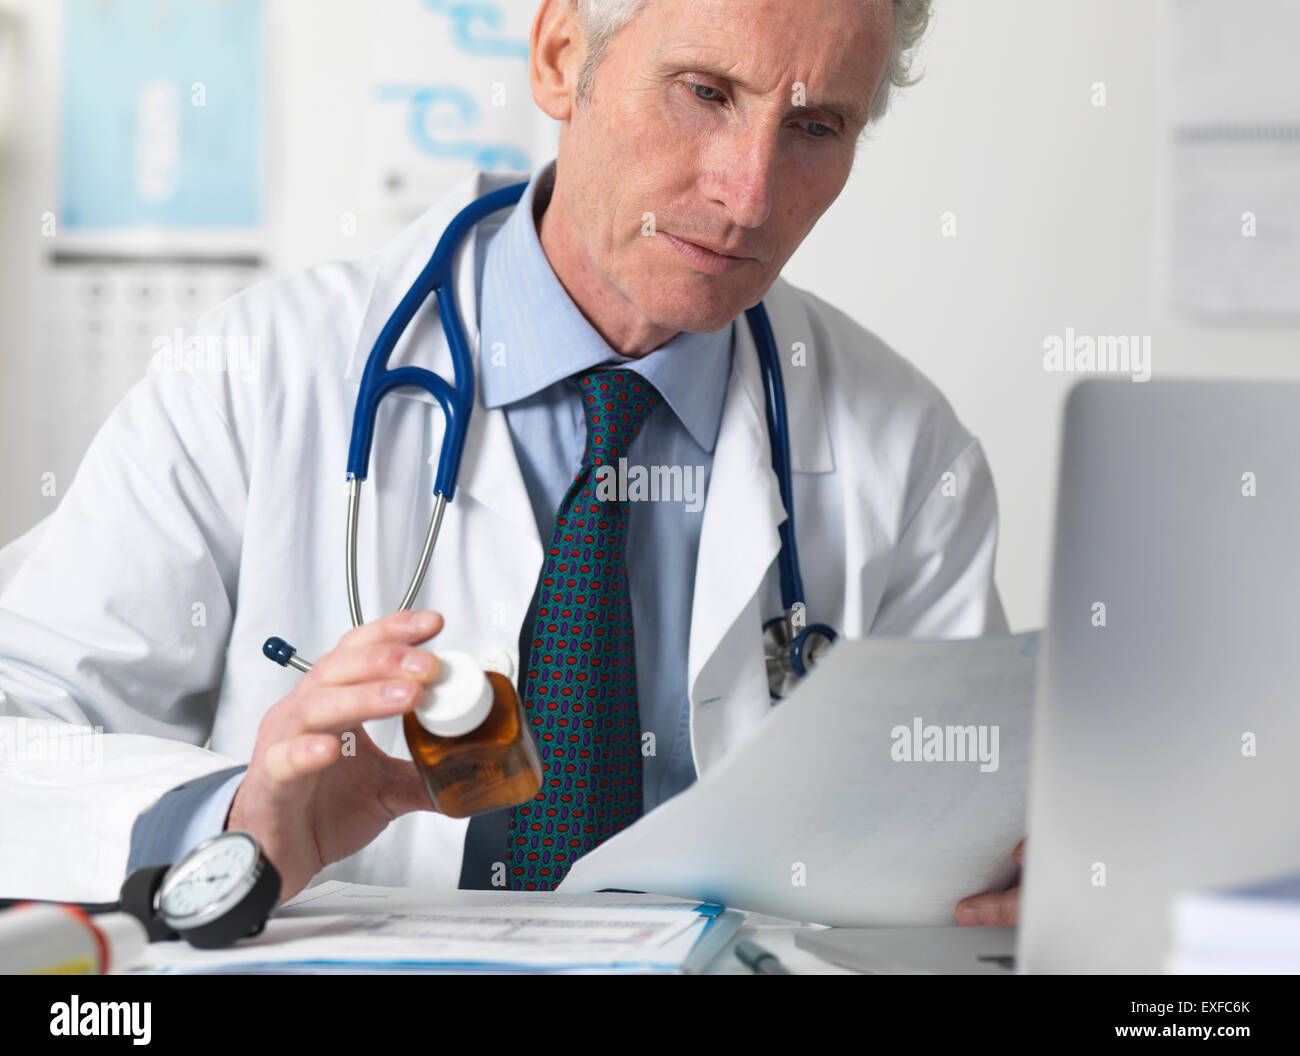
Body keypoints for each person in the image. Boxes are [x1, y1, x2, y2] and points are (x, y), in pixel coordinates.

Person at [0, 0, 1020, 922]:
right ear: (560, 55)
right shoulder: (256, 377)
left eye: (813, 128)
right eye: (705, 92)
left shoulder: (904, 449)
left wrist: (1014, 873)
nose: (748, 192)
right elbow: (21, 726)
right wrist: (230, 813)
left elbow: (957, 818)